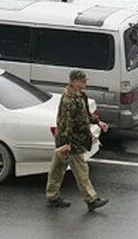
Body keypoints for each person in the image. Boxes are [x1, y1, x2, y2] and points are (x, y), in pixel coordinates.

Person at [45, 70, 109, 211]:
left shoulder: (80, 96)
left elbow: (85, 115)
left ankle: (52, 196)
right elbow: (66, 122)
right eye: (83, 81)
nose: (86, 83)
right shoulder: (70, 99)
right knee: (81, 170)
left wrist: (98, 122)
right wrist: (67, 143)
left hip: (68, 141)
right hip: (71, 141)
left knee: (57, 168)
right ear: (74, 82)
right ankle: (91, 199)